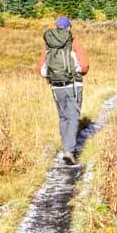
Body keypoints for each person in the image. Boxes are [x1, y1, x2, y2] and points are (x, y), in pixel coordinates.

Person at [38, 15, 89, 164]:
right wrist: (77, 72)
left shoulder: (49, 46)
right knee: (73, 117)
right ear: (69, 28)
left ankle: (66, 146)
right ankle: (69, 150)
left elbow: (41, 70)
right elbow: (84, 67)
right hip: (73, 85)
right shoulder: (75, 44)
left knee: (63, 117)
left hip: (56, 86)